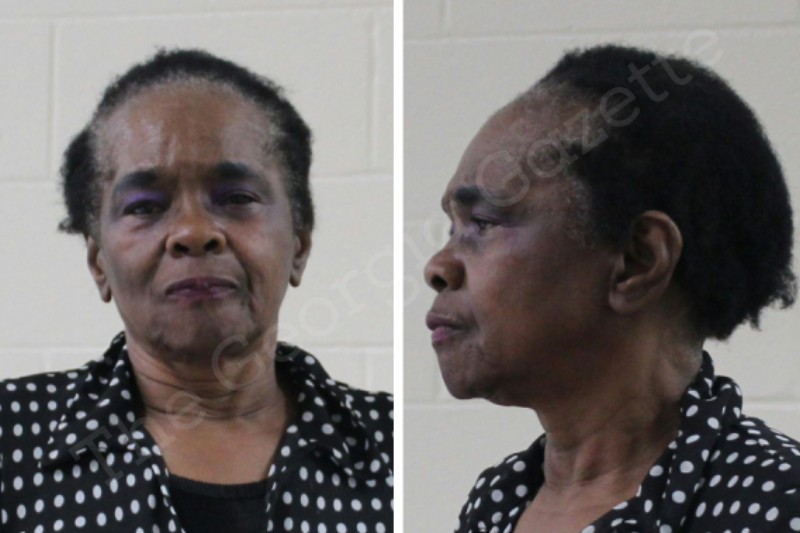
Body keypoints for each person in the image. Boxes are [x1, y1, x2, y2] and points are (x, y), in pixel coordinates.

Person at [0, 49, 393, 533]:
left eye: (237, 198)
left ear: (299, 245)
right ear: (98, 261)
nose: (193, 231)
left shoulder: (389, 444)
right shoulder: (11, 440)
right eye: (145, 206)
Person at [424, 44, 799, 532]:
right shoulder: (496, 506)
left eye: (483, 222)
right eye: (452, 228)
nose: (437, 267)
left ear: (637, 261)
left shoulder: (775, 509)